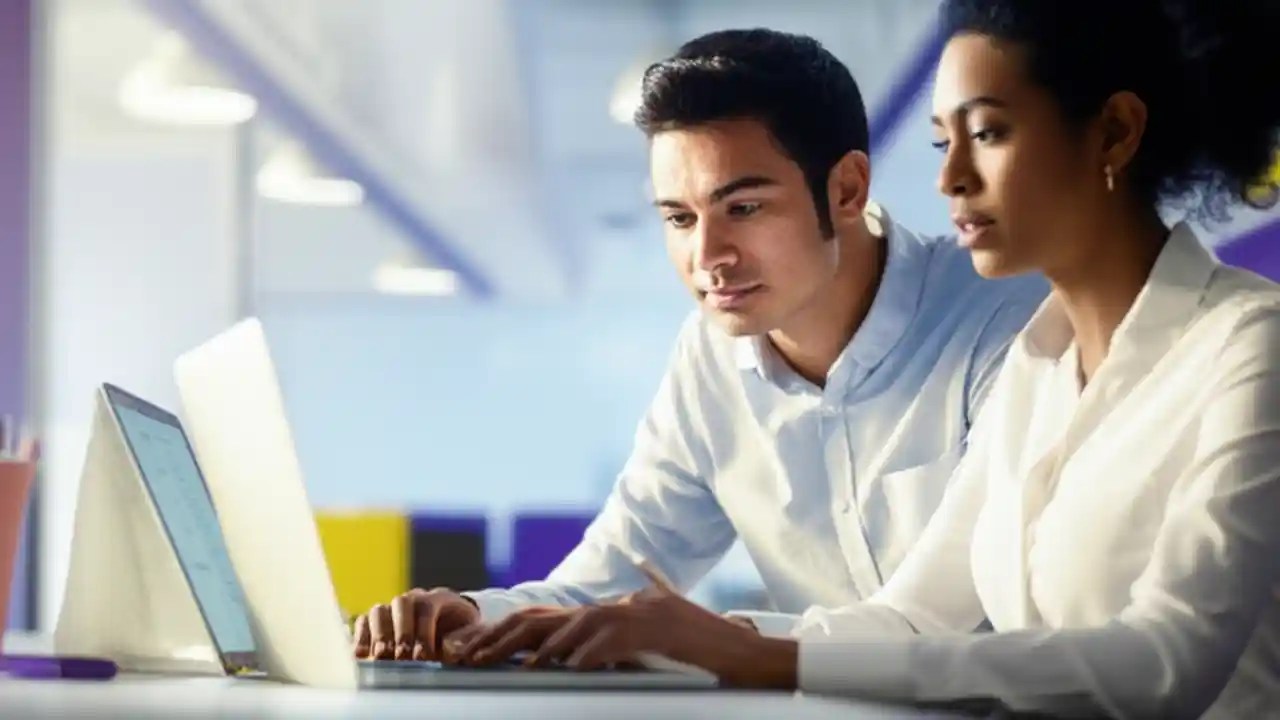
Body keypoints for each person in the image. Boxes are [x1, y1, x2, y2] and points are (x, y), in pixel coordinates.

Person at [450, 2, 1280, 718]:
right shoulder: (1041, 365)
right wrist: (689, 638)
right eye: (941, 139)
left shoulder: (1251, 344)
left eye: (988, 133)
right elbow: (917, 618)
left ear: (1113, 132)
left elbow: (1167, 661)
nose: (951, 178)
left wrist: (760, 655)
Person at [351, 29, 1046, 663]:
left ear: (846, 188)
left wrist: (719, 639)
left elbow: (940, 625)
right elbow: (605, 579)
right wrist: (470, 615)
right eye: (680, 218)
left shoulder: (1008, 324)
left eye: (742, 208)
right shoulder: (710, 358)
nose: (707, 256)